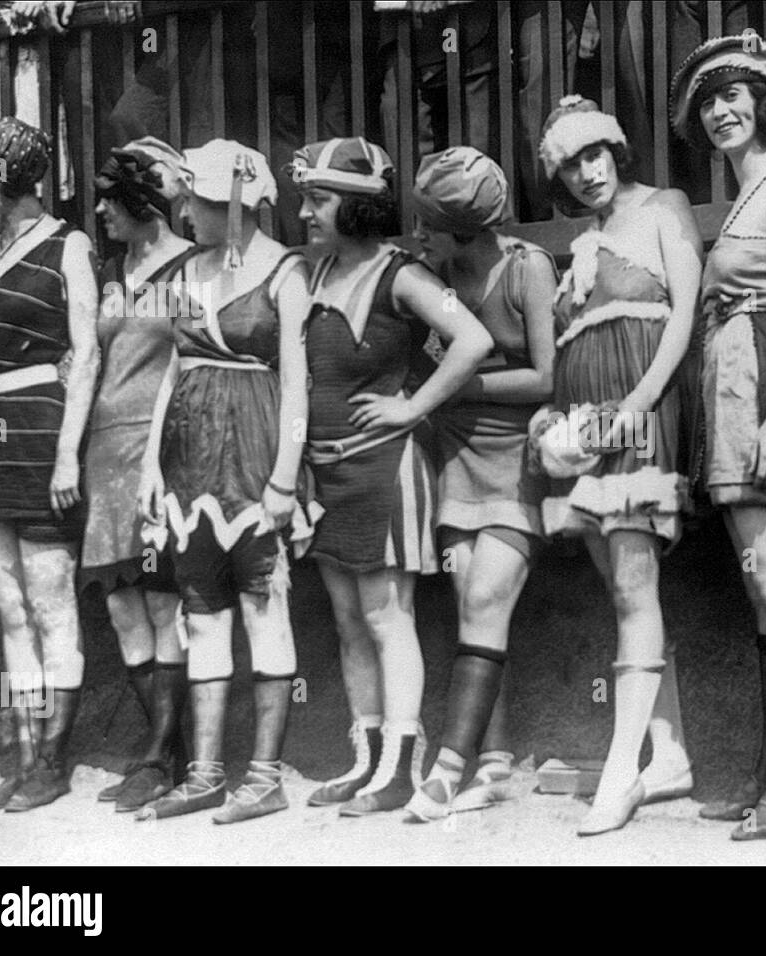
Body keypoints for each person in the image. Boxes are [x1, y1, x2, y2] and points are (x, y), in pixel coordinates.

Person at [290, 137, 493, 817]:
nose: (305, 213)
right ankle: (365, 760)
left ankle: (402, 765)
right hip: (327, 474)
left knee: (386, 615)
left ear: (356, 206)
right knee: (348, 621)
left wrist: (412, 405)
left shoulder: (401, 274)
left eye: (318, 200)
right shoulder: (311, 275)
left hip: (385, 468)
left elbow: (474, 341)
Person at [669, 35, 766, 841]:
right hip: (729, 393)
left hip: (761, 385)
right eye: (708, 100)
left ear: (762, 103)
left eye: (734, 95)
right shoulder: (743, 190)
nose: (722, 110)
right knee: (758, 583)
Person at [135, 140, 312, 824]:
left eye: (198, 202)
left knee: (266, 608)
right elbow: (172, 372)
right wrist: (152, 462)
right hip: (188, 460)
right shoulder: (188, 270)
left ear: (234, 206)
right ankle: (206, 773)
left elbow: (297, 387)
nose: (186, 212)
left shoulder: (285, 273)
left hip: (255, 451)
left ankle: (264, 776)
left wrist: (287, 476)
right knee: (200, 612)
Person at [537, 95, 699, 836]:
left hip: (637, 417)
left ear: (616, 150)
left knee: (635, 586)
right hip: (585, 430)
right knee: (622, 590)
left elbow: (684, 320)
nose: (585, 173)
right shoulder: (583, 242)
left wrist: (636, 405)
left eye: (593, 155)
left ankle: (619, 769)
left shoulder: (664, 208)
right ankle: (668, 754)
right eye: (569, 166)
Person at [403, 146, 556, 819]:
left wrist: (452, 392)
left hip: (515, 454)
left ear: (462, 228)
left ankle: (446, 770)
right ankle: (492, 762)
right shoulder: (438, 275)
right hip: (457, 455)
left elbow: (546, 377)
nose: (419, 238)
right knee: (471, 600)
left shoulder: (528, 268)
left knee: (488, 593)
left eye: (429, 227)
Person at [0, 116, 98, 811]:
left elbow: (88, 352)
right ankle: (21, 757)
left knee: (50, 605)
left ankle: (53, 760)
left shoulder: (69, 246)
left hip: (42, 432)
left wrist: (69, 455)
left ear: (10, 180)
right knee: (11, 610)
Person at [71, 139, 195, 812]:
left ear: (143, 203)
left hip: (157, 455)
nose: (98, 210)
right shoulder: (115, 268)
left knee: (160, 604)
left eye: (111, 199)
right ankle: (164, 750)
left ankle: (157, 757)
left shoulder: (189, 268)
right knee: (122, 610)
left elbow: (191, 366)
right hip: (104, 458)